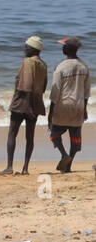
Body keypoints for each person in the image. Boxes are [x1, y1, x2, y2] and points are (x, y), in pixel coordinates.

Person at [0, 35, 47, 176]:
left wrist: (27, 106)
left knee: (12, 133)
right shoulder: (43, 64)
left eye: (26, 47)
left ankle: (9, 167)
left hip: (22, 103)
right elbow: (43, 87)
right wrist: (33, 105)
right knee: (30, 137)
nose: (24, 49)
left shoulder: (28, 62)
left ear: (33, 49)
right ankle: (25, 168)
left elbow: (25, 85)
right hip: (36, 102)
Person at [49, 37, 90, 173]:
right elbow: (86, 92)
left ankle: (64, 154)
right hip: (78, 105)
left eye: (63, 46)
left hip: (63, 105)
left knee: (54, 132)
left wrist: (51, 111)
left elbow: (55, 92)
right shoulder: (84, 66)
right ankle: (69, 165)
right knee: (75, 136)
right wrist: (84, 109)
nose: (62, 48)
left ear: (67, 49)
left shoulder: (60, 67)